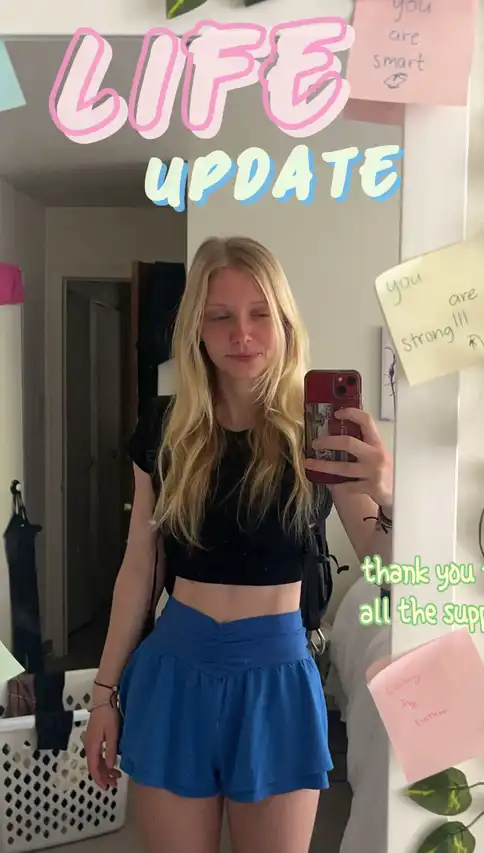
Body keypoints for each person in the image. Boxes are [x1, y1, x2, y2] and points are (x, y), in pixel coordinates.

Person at [83, 236, 394, 853]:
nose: (242, 334)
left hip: (278, 682)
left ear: (284, 322)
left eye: (259, 314)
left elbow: (387, 564)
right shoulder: (165, 428)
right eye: (220, 316)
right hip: (174, 673)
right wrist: (102, 695)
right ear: (196, 328)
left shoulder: (319, 432)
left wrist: (387, 490)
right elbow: (139, 566)